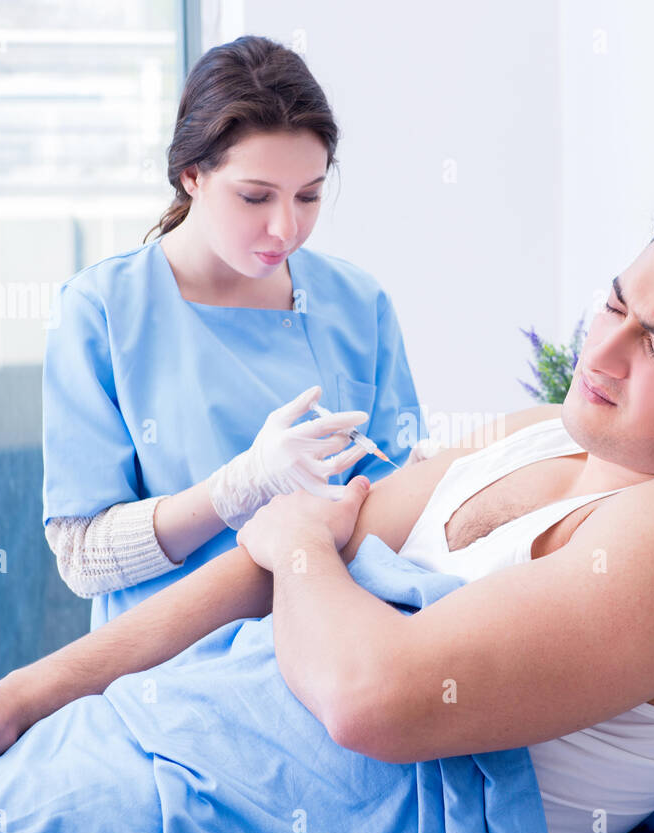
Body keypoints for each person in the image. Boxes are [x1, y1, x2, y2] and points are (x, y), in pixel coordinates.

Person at [0, 182, 654, 833]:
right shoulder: (537, 436)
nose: (601, 353)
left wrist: (296, 550)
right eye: (613, 306)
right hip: (187, 733)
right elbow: (267, 557)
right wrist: (24, 693)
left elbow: (374, 697)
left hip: (312, 820)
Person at [42, 35, 425, 631]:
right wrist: (236, 489)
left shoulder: (358, 304)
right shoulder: (103, 311)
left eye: (309, 196)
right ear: (192, 174)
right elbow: (84, 557)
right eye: (255, 197)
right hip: (169, 660)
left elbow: (402, 504)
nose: (285, 227)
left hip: (329, 642)